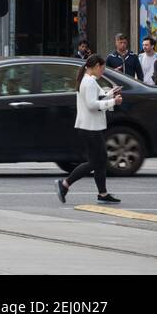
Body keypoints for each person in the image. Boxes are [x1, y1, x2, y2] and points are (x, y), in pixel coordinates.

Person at [56, 55, 124, 204]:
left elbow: (100, 97)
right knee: (96, 161)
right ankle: (65, 184)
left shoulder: (88, 80)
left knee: (100, 160)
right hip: (90, 128)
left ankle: (102, 193)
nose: (103, 71)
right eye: (103, 68)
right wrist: (113, 101)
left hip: (90, 127)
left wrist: (111, 93)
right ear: (97, 66)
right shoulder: (89, 82)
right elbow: (92, 105)